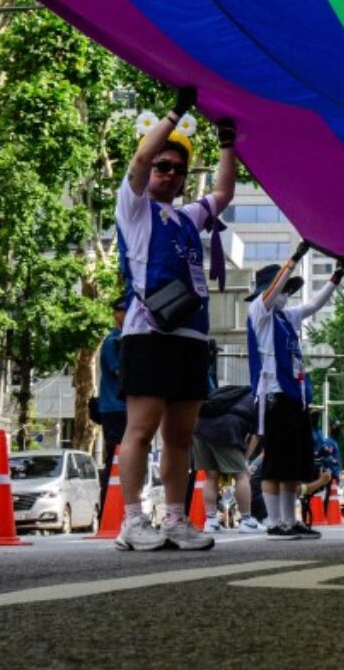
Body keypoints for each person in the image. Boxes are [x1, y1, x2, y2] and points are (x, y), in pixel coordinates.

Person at [112, 91, 237, 554]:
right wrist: (177, 112)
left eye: (179, 169)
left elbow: (223, 193)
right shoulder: (135, 208)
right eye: (163, 167)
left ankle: (176, 519)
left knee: (180, 436)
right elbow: (142, 155)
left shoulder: (187, 217)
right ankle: (130, 520)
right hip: (148, 334)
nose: (169, 174)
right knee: (141, 429)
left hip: (190, 336)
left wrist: (228, 142)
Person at [246, 256, 344, 538]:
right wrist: (294, 260)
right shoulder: (259, 313)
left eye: (290, 290)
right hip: (274, 396)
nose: (286, 295)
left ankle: (291, 519)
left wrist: (334, 280)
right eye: (283, 289)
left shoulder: (286, 318)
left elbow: (313, 305)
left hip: (295, 398)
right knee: (275, 463)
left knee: (292, 464)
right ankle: (275, 521)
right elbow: (272, 291)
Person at [193, 381, 260, 533]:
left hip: (199, 426)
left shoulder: (236, 392)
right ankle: (247, 520)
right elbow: (256, 436)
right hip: (225, 429)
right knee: (241, 476)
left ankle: (210, 521)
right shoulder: (260, 401)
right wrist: (245, 459)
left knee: (211, 476)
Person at [93, 297, 127, 518]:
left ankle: (121, 508)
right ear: (116, 314)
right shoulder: (113, 342)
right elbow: (119, 372)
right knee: (116, 457)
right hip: (115, 408)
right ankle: (109, 510)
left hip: (124, 407)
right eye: (125, 311)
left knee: (126, 458)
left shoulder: (123, 340)